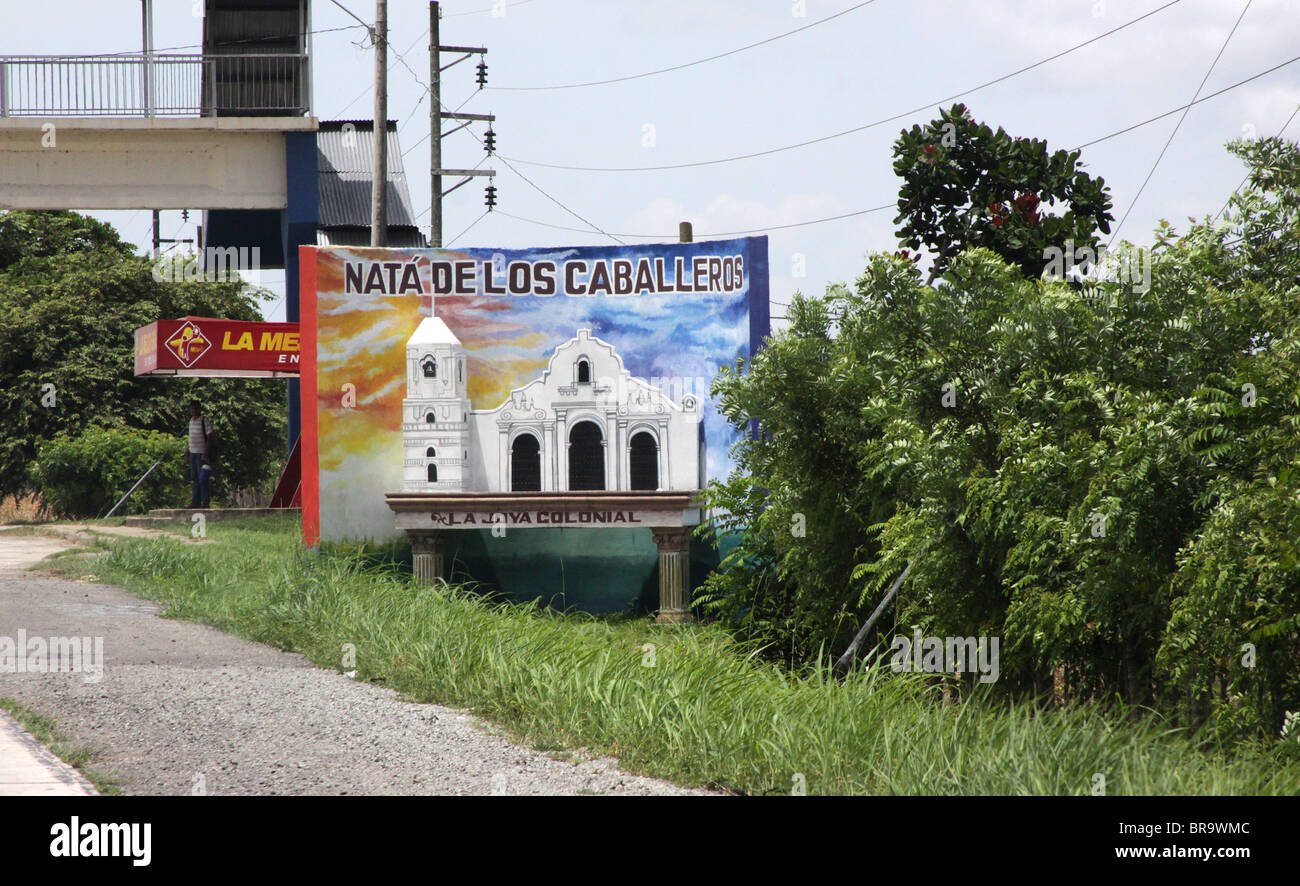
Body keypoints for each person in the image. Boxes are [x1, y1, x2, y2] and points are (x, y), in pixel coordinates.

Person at [186, 401, 214, 509]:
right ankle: (195, 502)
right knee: (195, 478)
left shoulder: (204, 420)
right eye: (191, 409)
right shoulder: (191, 421)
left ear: (199, 409)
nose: (193, 411)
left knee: (203, 478)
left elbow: (210, 437)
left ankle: (205, 501)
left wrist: (206, 453)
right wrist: (187, 453)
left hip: (201, 453)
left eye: (195, 408)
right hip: (193, 452)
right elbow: (190, 438)